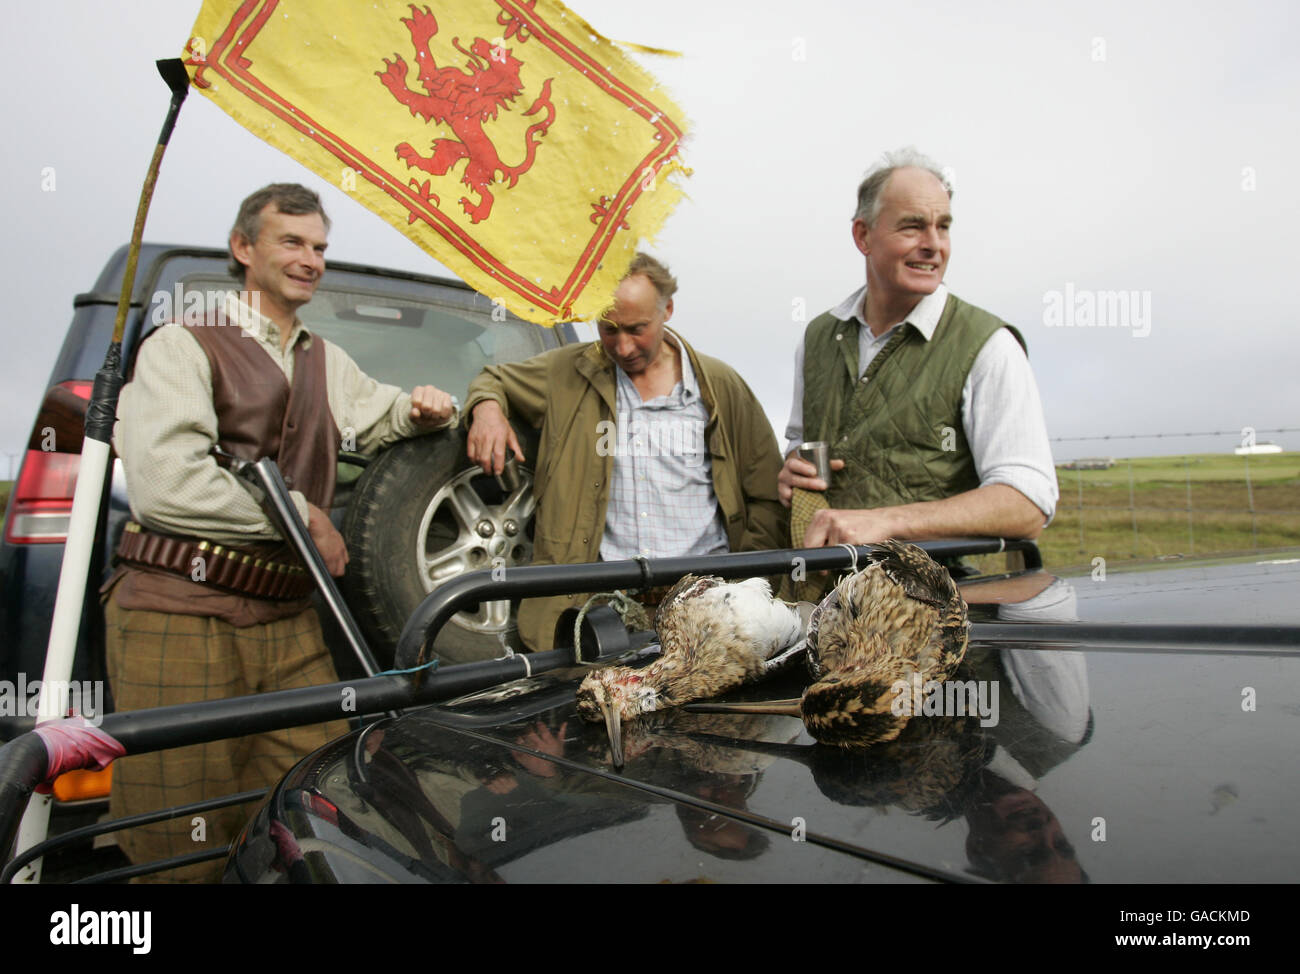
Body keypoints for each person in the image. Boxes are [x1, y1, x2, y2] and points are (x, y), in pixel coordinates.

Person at [105, 182, 457, 882]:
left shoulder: (323, 360)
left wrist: (438, 410)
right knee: (183, 839)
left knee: (323, 799)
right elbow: (168, 483)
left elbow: (382, 414)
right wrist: (300, 513)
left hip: (292, 620)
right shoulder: (184, 343)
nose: (310, 259)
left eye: (319, 247)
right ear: (244, 248)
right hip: (181, 612)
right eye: (291, 242)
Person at [465, 253, 785, 651]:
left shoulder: (720, 385)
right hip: (601, 611)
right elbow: (492, 380)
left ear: (667, 309)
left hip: (706, 607)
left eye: (637, 329)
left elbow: (766, 495)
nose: (623, 345)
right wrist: (487, 411)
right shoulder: (567, 372)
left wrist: (746, 587)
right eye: (608, 329)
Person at [780, 148, 1057, 549]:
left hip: (934, 598)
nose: (933, 245)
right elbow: (800, 444)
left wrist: (888, 521)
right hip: (826, 593)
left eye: (942, 227)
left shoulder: (989, 345)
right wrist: (792, 474)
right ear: (863, 236)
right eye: (912, 227)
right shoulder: (819, 337)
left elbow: (1028, 501)